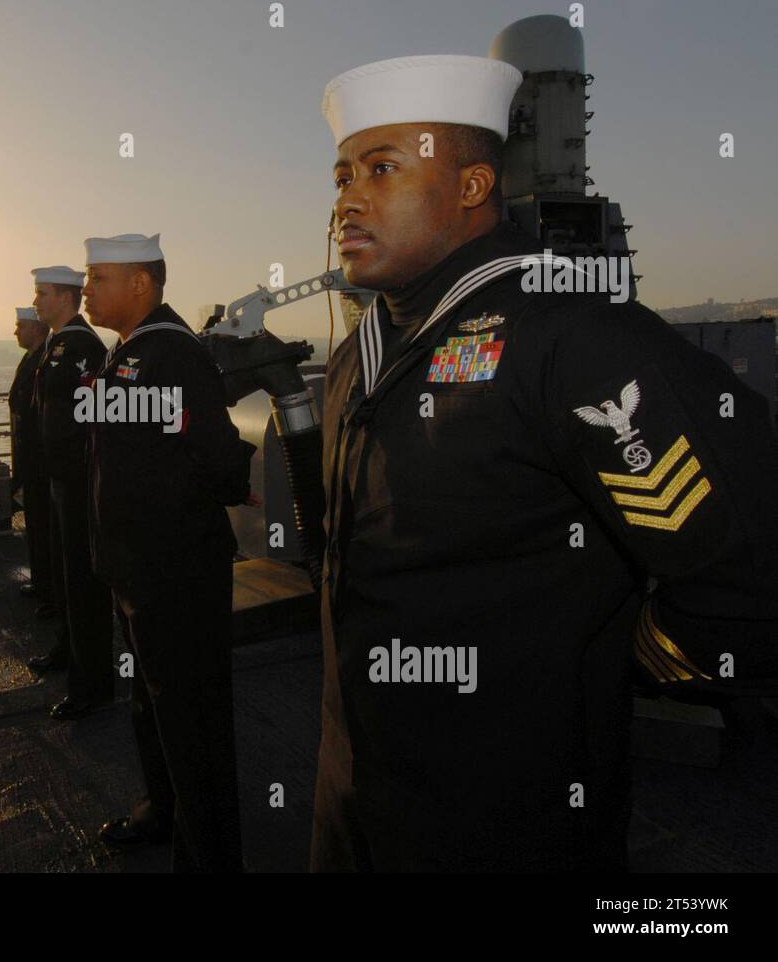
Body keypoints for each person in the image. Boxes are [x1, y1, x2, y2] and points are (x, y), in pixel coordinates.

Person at [313, 53, 778, 872]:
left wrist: (620, 663)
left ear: (471, 187)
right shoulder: (359, 355)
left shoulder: (569, 333)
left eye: (382, 169)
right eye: (343, 174)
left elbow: (745, 564)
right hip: (356, 793)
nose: (347, 198)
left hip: (508, 815)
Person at [83, 233, 255, 873]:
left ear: (141, 285)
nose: (87, 290)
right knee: (151, 705)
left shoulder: (174, 357)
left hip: (176, 575)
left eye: (99, 278)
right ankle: (161, 810)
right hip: (137, 572)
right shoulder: (129, 353)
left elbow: (215, 454)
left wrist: (235, 484)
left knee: (195, 726)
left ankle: (209, 859)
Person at [26, 265, 114, 719]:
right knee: (65, 574)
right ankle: (67, 648)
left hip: (80, 481)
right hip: (59, 480)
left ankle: (93, 683)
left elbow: (94, 415)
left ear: (65, 297)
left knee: (84, 582)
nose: (36, 300)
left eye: (42, 293)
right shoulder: (58, 344)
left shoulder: (81, 345)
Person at [8, 307, 57, 614]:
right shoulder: (32, 358)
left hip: (43, 458)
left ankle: (51, 591)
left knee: (46, 526)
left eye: (20, 326)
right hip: (31, 456)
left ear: (37, 329)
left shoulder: (45, 359)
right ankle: (42, 581)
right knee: (36, 523)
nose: (16, 332)